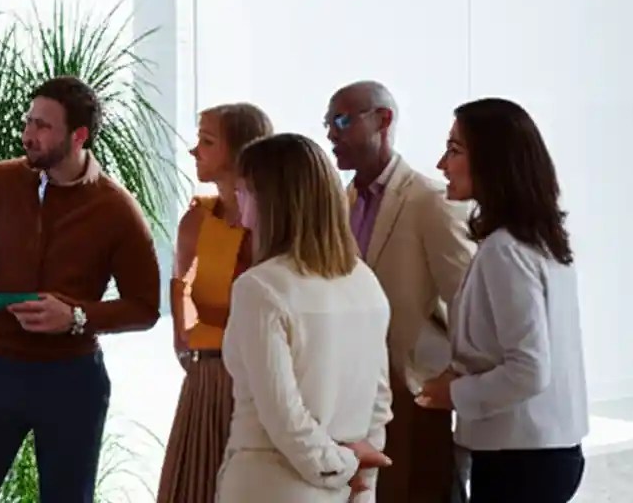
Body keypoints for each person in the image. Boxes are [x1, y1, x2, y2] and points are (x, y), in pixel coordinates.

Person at [0, 75, 161, 503]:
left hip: (71, 379)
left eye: (43, 126)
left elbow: (145, 307)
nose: (28, 135)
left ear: (78, 136)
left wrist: (77, 317)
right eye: (29, 121)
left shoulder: (117, 209)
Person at [418, 98, 589, 502]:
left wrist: (453, 394)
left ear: (494, 161)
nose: (443, 163)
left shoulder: (505, 249)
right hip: (542, 453)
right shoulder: (537, 241)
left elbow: (529, 369)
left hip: (522, 459)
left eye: (455, 150)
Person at [216, 133, 394, 502]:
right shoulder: (365, 280)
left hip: (272, 483)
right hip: (347, 486)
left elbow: (284, 418)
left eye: (244, 191)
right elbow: (379, 403)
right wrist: (362, 475)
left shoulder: (259, 288)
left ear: (271, 201)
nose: (238, 203)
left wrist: (343, 464)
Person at [324, 81, 474, 503]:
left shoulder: (430, 201)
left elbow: (467, 302)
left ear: (383, 120)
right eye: (327, 124)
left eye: (342, 120)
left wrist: (453, 384)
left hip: (416, 394)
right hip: (356, 396)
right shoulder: (342, 201)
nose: (332, 134)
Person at [157, 103, 272, 503]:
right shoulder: (196, 221)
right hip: (209, 380)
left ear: (241, 151)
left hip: (264, 383)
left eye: (207, 142)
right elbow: (182, 305)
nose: (194, 151)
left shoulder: (279, 225)